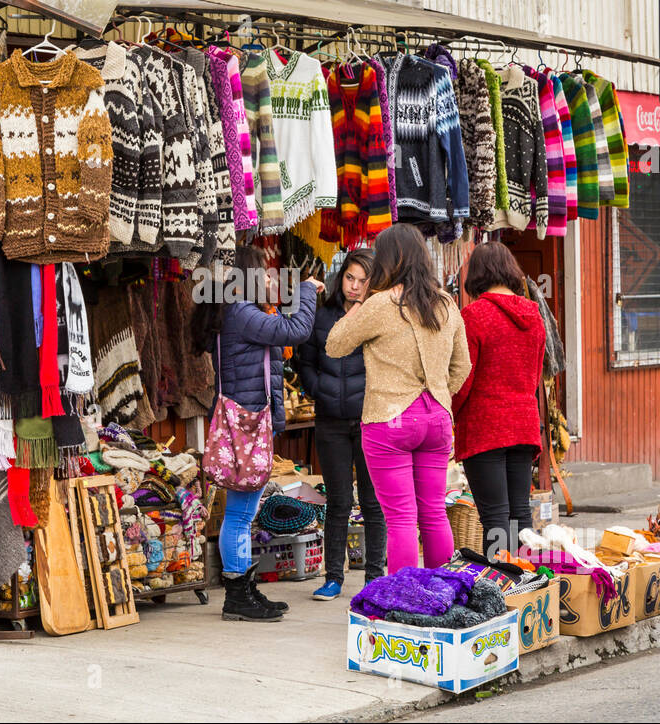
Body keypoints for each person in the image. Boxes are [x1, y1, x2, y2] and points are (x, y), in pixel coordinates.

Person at [327, 224, 471, 574]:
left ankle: (406, 602)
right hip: (437, 418)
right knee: (434, 513)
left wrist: (360, 302)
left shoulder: (380, 304)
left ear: (388, 261)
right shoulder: (447, 304)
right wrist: (438, 392)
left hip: (389, 419)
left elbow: (335, 344)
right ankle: (442, 593)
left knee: (402, 519)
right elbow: (462, 366)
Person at [197, 244, 322, 620]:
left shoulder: (237, 311)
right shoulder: (242, 313)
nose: (271, 279)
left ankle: (244, 590)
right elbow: (296, 328)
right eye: (265, 273)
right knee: (239, 514)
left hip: (248, 421)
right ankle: (237, 595)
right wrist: (303, 290)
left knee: (243, 511)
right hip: (245, 425)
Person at [294, 249, 387, 601]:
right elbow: (305, 362)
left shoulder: (379, 318)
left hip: (370, 420)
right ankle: (333, 577)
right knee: (338, 501)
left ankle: (374, 579)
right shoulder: (323, 316)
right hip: (330, 420)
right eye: (350, 278)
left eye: (363, 281)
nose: (355, 286)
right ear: (341, 278)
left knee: (373, 501)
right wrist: (319, 390)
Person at [452, 243, 546, 560]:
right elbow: (535, 376)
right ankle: (527, 583)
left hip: (485, 426)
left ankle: (501, 582)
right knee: (520, 510)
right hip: (524, 422)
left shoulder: (473, 315)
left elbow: (463, 379)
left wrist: (450, 411)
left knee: (494, 515)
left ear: (476, 273)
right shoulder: (534, 316)